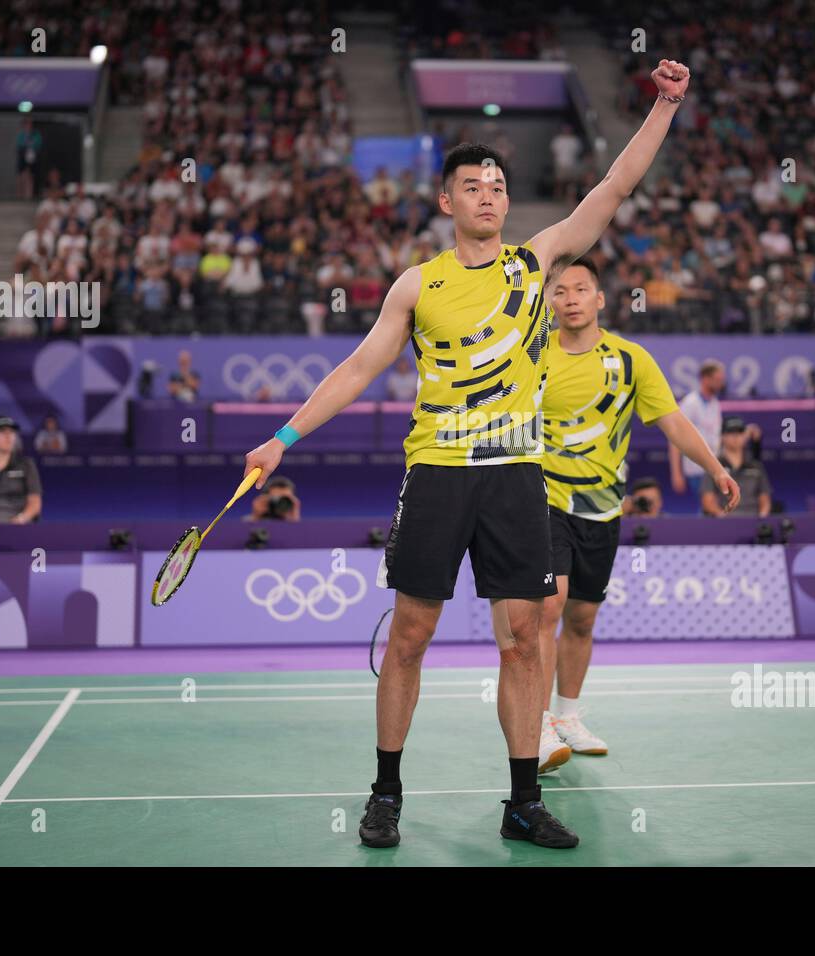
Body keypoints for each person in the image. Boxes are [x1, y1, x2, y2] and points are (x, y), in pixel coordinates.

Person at [243, 59, 697, 852]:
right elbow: (358, 368)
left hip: (518, 476)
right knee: (410, 635)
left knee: (524, 637)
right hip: (438, 474)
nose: (489, 195)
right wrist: (283, 439)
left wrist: (663, 106)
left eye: (498, 185)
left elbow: (615, 187)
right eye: (473, 186)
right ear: (447, 201)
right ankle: (386, 791)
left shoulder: (537, 265)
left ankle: (522, 801)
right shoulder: (418, 284)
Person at [536, 257, 738, 772]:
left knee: (582, 617)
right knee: (549, 607)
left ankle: (568, 717)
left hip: (603, 506)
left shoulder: (631, 359)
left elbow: (672, 421)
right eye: (560, 292)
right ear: (550, 303)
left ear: (600, 299)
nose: (572, 298)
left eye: (582, 289)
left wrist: (715, 469)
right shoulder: (531, 357)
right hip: (544, 498)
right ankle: (535, 724)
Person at [669, 359, 725, 500]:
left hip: (714, 467)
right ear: (705, 379)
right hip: (696, 468)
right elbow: (675, 438)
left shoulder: (715, 403)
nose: (721, 384)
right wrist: (676, 473)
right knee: (707, 506)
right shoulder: (690, 403)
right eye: (717, 380)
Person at [702, 417, 771, 516]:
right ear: (722, 436)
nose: (735, 436)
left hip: (753, 522)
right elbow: (707, 502)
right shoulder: (713, 466)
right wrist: (724, 519)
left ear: (744, 436)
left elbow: (765, 499)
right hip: (724, 524)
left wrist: (761, 518)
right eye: (730, 432)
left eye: (739, 432)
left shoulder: (756, 466)